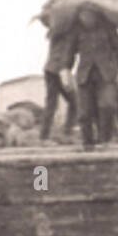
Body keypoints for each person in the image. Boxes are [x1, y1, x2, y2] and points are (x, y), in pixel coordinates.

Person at [69, 4, 118, 149]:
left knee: (107, 105)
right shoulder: (77, 32)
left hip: (105, 74)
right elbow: (68, 52)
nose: (85, 19)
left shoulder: (108, 30)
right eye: (82, 16)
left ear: (96, 16)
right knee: (84, 112)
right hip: (84, 75)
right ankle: (87, 143)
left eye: (88, 16)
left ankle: (104, 139)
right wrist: (65, 69)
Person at [40, 12, 78, 143]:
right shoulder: (62, 32)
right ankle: (46, 136)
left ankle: (61, 132)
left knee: (65, 102)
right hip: (57, 70)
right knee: (58, 103)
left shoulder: (59, 31)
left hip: (54, 69)